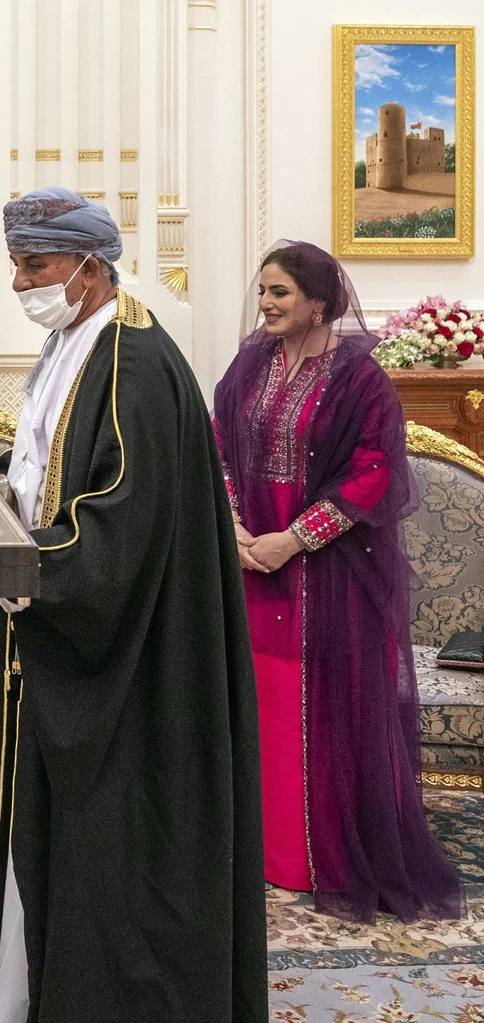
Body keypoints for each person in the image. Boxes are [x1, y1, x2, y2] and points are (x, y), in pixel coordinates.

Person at [0, 187, 266, 1021]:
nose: (22, 280)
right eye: (18, 262)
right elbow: (38, 466)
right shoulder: (80, 337)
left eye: (36, 264)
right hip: (85, 641)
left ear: (89, 267)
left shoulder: (133, 366)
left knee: (117, 838)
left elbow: (114, 528)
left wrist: (6, 563)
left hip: (134, 658)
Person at [213, 240, 462, 923]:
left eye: (279, 292)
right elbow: (219, 441)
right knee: (258, 696)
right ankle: (257, 849)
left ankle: (314, 859)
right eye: (261, 290)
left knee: (320, 702)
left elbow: (373, 470)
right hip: (249, 562)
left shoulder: (361, 379)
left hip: (328, 571)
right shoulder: (249, 363)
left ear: (317, 300)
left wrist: (295, 537)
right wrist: (235, 527)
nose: (264, 303)